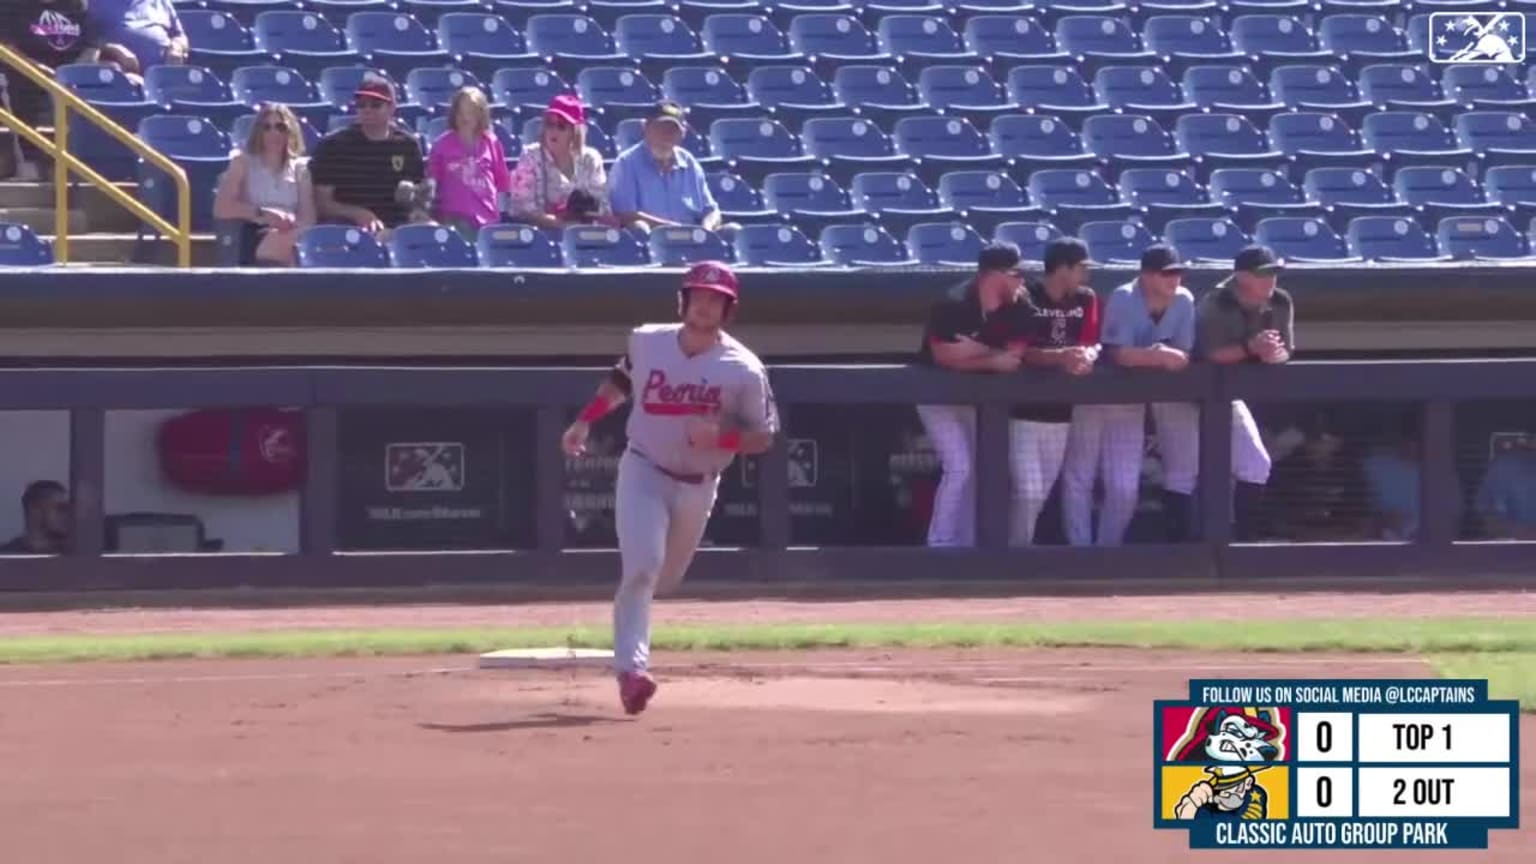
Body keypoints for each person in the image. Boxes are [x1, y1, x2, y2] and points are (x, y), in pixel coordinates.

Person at [560, 261, 778, 716]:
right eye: (698, 295)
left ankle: (632, 652)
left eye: (715, 299)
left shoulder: (744, 368)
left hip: (699, 484)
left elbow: (765, 437)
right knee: (643, 568)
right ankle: (632, 674)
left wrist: (723, 438)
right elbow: (621, 382)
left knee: (667, 577)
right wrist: (586, 420)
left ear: (728, 310)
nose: (704, 305)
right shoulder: (648, 340)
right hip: (645, 468)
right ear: (683, 300)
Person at [1063, 244, 1196, 547]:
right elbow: (1118, 355)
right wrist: (1160, 357)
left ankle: (1107, 551)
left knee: (1124, 488)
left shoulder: (1184, 300)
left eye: (1178, 272)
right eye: (1166, 273)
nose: (1174, 279)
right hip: (1093, 396)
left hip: (1132, 403)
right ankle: (1078, 551)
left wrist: (1162, 357)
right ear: (1146, 276)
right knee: (1079, 477)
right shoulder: (1125, 296)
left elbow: (1184, 356)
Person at [913, 242, 1034, 547]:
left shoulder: (1020, 303)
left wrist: (976, 351)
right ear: (993, 276)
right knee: (959, 467)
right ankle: (939, 544)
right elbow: (943, 357)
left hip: (974, 398)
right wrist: (992, 358)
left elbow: (1014, 356)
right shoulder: (952, 303)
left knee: (977, 470)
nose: (1023, 280)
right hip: (937, 396)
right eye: (1016, 273)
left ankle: (967, 545)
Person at [1195, 244, 1291, 541]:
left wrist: (1274, 353)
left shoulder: (1280, 301)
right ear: (1240, 277)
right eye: (1263, 274)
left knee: (1256, 465)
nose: (1271, 279)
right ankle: (1186, 549)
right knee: (1183, 474)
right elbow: (1207, 354)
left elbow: (1286, 351)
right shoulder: (1216, 302)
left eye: (1274, 272)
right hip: (1186, 394)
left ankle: (1242, 545)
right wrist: (1252, 348)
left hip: (1229, 398)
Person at [1013, 240, 1100, 545]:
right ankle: (1014, 555)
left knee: (1040, 493)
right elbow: (1022, 351)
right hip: (1021, 412)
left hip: (1061, 412)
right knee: (1028, 491)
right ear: (1062, 268)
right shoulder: (1026, 297)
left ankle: (1019, 549)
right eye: (1081, 267)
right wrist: (1062, 356)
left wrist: (1084, 357)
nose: (1086, 274)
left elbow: (1089, 342)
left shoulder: (1086, 298)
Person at [0, 0, 139, 180]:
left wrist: (74, 74)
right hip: (28, 80)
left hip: (73, 83)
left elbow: (92, 44)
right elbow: (6, 48)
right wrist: (43, 72)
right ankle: (38, 164)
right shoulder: (11, 6)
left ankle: (104, 166)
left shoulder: (76, 5)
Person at [309, 74, 426, 235]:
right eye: (362, 105)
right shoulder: (334, 145)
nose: (367, 110)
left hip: (396, 227)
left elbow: (418, 196)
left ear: (392, 108)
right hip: (348, 228)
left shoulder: (407, 145)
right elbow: (322, 202)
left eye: (376, 105)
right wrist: (358, 213)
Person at [212, 102, 315, 266]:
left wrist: (291, 226)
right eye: (267, 127)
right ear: (258, 132)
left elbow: (308, 219)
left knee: (300, 244)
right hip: (254, 230)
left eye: (280, 127)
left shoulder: (300, 169)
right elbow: (222, 208)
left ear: (291, 131)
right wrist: (263, 213)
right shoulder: (242, 162)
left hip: (292, 232)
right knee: (281, 246)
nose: (274, 133)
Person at [607, 101, 725, 235]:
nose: (667, 133)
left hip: (694, 238)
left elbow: (712, 210)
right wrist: (672, 229)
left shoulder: (689, 162)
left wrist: (707, 227)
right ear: (646, 128)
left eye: (673, 129)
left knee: (732, 230)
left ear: (683, 133)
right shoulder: (627, 163)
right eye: (661, 127)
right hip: (654, 240)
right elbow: (625, 214)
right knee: (639, 228)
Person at [507, 92, 610, 230]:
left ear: (575, 131)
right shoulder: (531, 156)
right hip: (542, 235)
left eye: (561, 126)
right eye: (550, 124)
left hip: (584, 234)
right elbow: (523, 210)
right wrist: (561, 224)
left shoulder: (591, 159)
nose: (554, 131)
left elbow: (602, 206)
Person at [427, 86, 512, 239]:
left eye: (471, 112)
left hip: (487, 219)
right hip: (454, 219)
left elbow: (502, 183)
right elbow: (432, 185)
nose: (465, 118)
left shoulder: (491, 142)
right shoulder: (441, 145)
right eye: (460, 112)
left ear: (481, 114)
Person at [87, 0, 187, 71]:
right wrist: (111, 50)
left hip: (163, 77)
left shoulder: (161, 2)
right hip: (116, 77)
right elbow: (80, 41)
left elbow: (180, 36)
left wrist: (177, 47)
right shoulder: (90, 3)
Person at [1474, 438, 1536, 540]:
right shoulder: (1502, 466)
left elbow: (1484, 508)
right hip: (1510, 546)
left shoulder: (1502, 465)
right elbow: (1485, 509)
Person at [0, 480, 71, 555]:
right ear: (35, 510)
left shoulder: (73, 554)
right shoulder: (6, 554)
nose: (68, 514)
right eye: (61, 508)